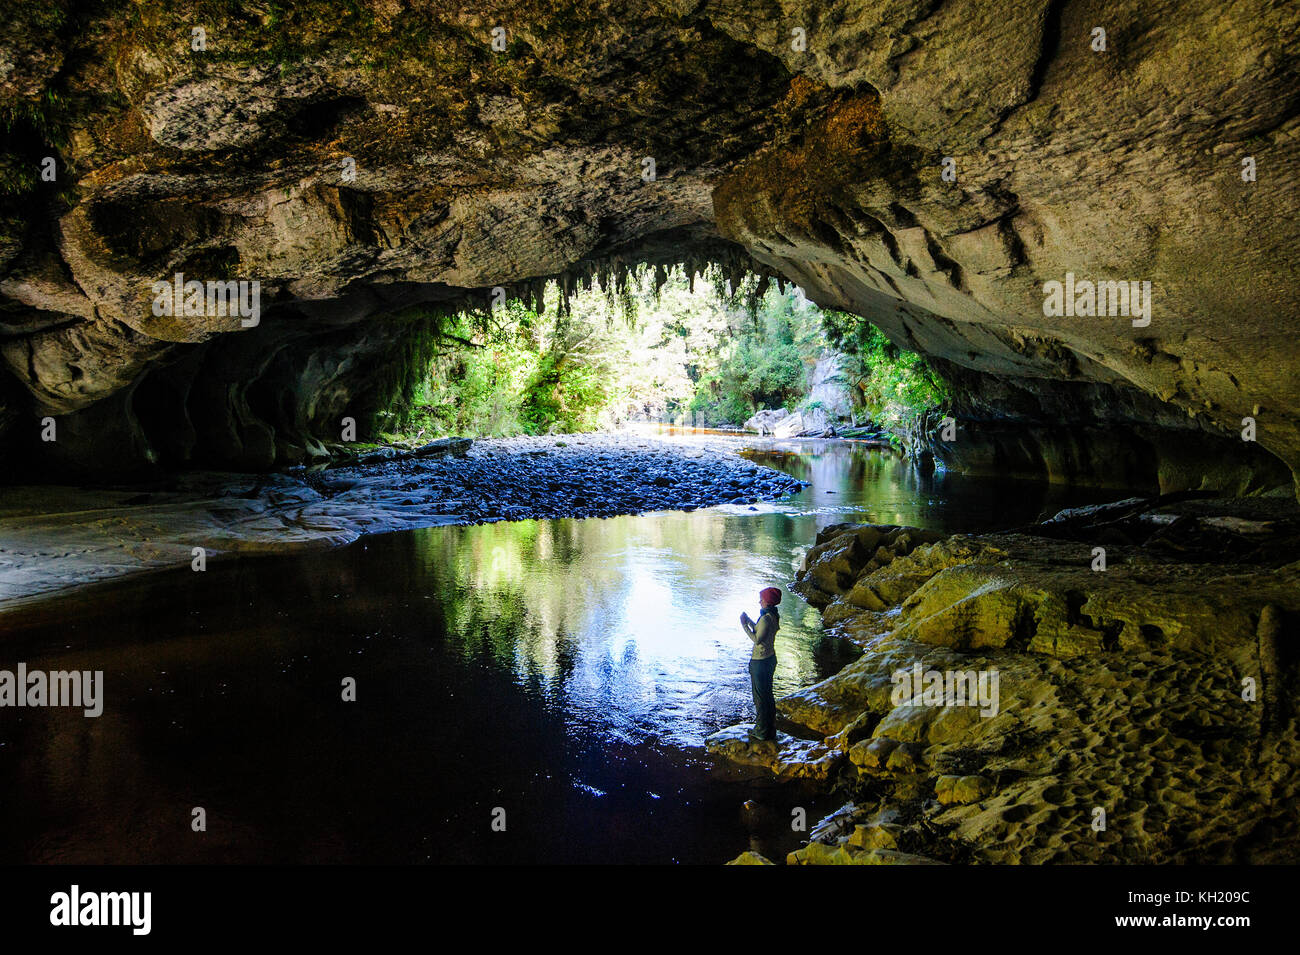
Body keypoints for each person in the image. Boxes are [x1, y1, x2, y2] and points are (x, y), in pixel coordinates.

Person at [740, 587, 782, 741]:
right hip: (770, 659)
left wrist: (744, 625)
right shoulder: (772, 615)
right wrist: (749, 620)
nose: (760, 601)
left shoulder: (766, 618)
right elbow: (760, 630)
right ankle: (769, 729)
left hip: (761, 662)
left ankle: (762, 731)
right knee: (767, 696)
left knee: (760, 698)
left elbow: (757, 639)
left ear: (768, 601)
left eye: (762, 599)